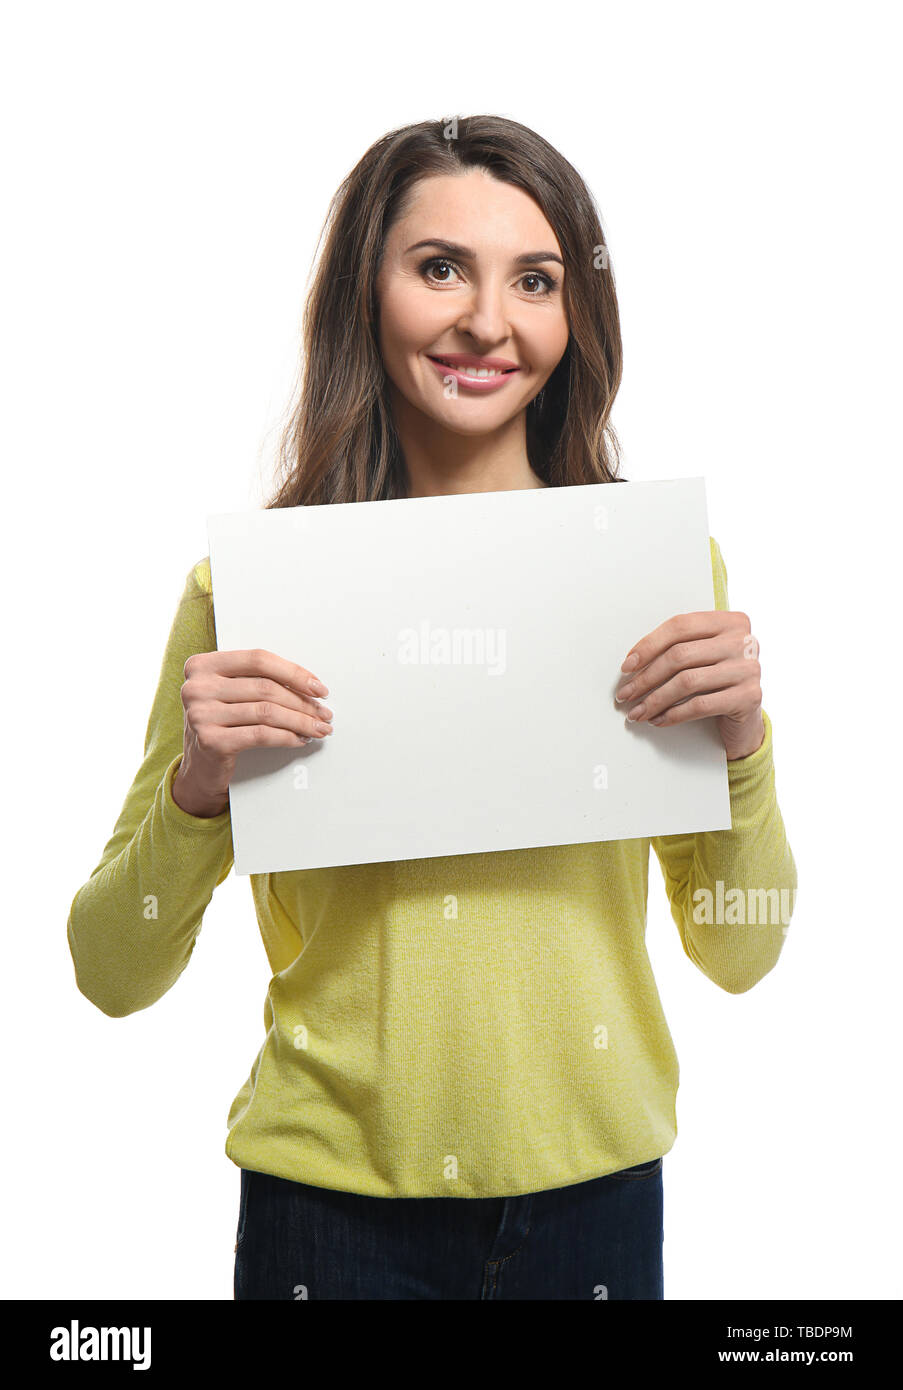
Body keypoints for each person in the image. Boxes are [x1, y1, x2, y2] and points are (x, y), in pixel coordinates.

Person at [67, 115, 797, 1301]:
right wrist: (196, 790)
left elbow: (743, 947)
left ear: (576, 315)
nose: (488, 323)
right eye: (440, 267)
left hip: (598, 1205)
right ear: (368, 290)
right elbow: (111, 968)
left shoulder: (660, 574)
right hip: (327, 1217)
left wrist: (744, 747)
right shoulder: (246, 598)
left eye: (536, 280)